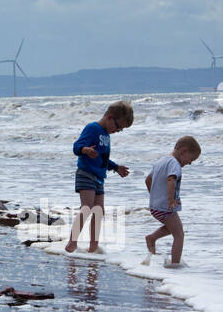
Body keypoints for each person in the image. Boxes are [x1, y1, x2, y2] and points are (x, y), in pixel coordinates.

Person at [65, 101, 134, 254]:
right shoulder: (93, 128)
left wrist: (116, 167)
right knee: (87, 207)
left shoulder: (106, 135)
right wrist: (85, 150)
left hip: (99, 177)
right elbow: (76, 147)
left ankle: (93, 245)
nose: (118, 130)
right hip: (86, 173)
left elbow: (102, 159)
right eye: (118, 127)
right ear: (110, 117)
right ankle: (72, 241)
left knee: (99, 211)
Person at [145, 136, 200, 268]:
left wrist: (155, 196)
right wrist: (170, 200)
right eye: (191, 159)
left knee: (172, 228)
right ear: (184, 151)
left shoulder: (161, 161)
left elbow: (147, 179)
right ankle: (175, 265)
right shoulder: (174, 163)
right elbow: (171, 180)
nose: (190, 163)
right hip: (166, 207)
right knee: (179, 234)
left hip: (155, 207)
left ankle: (152, 237)